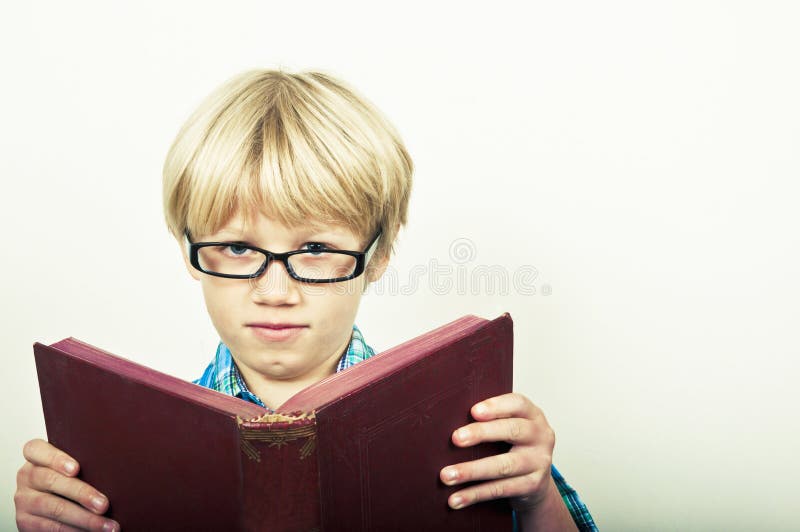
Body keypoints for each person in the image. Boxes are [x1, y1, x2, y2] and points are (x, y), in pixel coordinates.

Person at [15, 70, 597, 531]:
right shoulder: (124, 453)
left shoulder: (465, 424)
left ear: (379, 254)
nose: (274, 292)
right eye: (239, 248)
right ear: (189, 251)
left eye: (315, 248)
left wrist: (538, 497)